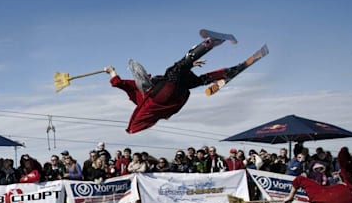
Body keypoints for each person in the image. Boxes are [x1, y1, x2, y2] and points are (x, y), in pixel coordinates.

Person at [105, 35, 257, 134]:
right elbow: (117, 82)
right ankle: (208, 44)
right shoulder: (137, 89)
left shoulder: (153, 91)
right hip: (161, 97)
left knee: (194, 80)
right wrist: (111, 71)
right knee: (174, 69)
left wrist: (190, 64)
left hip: (176, 99)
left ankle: (229, 71)